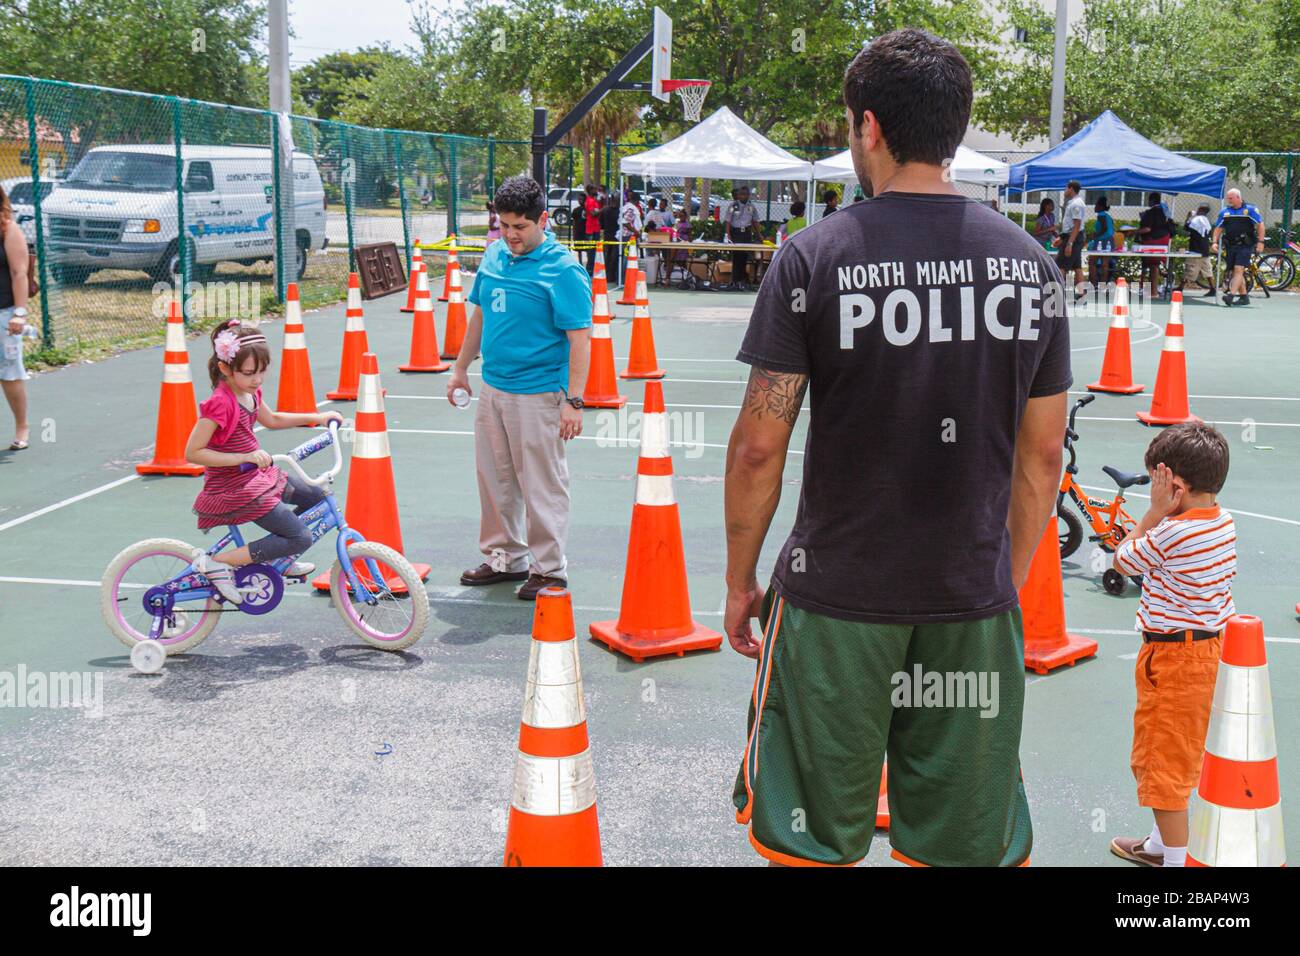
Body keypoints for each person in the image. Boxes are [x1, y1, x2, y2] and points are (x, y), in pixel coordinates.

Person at [723, 27, 1070, 868]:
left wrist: (741, 581)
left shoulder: (814, 258)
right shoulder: (1030, 266)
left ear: (867, 126)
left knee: (808, 836)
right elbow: (1043, 458)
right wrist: (1001, 581)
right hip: (971, 599)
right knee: (961, 841)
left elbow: (759, 449)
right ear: (955, 129)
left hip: (837, 597)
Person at [446, 176, 592, 601]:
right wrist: (459, 370)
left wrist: (574, 402)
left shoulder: (563, 269)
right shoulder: (493, 255)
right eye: (504, 225)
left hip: (539, 393)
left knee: (542, 483)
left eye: (520, 227)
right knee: (494, 479)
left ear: (542, 219)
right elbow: (479, 319)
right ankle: (505, 558)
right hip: (494, 389)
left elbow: (580, 339)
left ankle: (550, 570)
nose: (511, 235)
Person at [1108, 423, 1236, 868]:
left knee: (1164, 764)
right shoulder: (1223, 521)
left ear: (1175, 489)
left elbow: (1123, 559)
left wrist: (1153, 514)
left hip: (1174, 658)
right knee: (1173, 752)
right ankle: (1163, 844)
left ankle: (1177, 860)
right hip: (1204, 651)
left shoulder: (1173, 532)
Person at [184, 320, 344, 604]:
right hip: (235, 487)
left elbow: (271, 420)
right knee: (301, 538)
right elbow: (193, 452)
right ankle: (217, 563)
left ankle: (276, 554)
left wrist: (316, 418)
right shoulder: (220, 403)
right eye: (248, 373)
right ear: (225, 369)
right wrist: (242, 457)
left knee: (316, 498)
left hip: (259, 476)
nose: (257, 379)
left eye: (262, 371)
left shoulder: (249, 391)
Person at [1, 182, 32, 451]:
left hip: (4, 314)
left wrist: (19, 313)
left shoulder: (8, 229)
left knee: (9, 375)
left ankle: (22, 426)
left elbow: (19, 273)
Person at [1211, 188, 1265, 307]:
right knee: (1235, 272)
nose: (1229, 200)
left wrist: (1260, 242)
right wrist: (1214, 242)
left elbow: (1260, 225)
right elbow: (1218, 228)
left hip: (1245, 245)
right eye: (1228, 198)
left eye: (1231, 198)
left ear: (1238, 197)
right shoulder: (1225, 212)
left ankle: (1230, 296)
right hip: (1231, 245)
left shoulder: (1250, 210)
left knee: (1238, 270)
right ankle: (1244, 297)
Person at [1135, 191, 1174, 300]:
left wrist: (1135, 231)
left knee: (1152, 265)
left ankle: (1153, 292)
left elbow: (1147, 228)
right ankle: (1153, 290)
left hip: (1154, 240)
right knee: (1154, 264)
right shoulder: (1165, 211)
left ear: (1151, 200)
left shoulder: (1151, 212)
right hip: (1164, 239)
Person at [722, 185, 760, 291]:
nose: (744, 196)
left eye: (746, 194)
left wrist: (759, 234)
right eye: (742, 194)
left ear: (748, 195)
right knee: (736, 257)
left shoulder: (751, 207)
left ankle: (742, 281)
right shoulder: (733, 206)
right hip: (736, 233)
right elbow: (728, 221)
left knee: (744, 257)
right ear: (738, 195)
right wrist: (728, 234)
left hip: (746, 233)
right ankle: (734, 281)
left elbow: (755, 221)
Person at [1057, 180, 1087, 301]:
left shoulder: (1076, 204)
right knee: (1077, 267)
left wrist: (1069, 243)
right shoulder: (1074, 203)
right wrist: (1061, 237)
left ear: (1071, 189)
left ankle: (1057, 295)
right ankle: (1081, 294)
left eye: (1066, 188)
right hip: (1072, 236)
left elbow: (1077, 224)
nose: (1065, 191)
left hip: (1073, 238)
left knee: (1060, 265)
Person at [1182, 204, 1215, 296]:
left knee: (1189, 269)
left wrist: (1189, 217)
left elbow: (1186, 228)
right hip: (1204, 249)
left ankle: (1180, 287)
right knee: (1207, 270)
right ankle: (1213, 288)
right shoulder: (1206, 221)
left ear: (1200, 209)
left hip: (1195, 249)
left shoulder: (1196, 220)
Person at [1087, 195, 1116, 288]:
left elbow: (1104, 228)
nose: (1095, 207)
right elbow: (1110, 229)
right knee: (1105, 264)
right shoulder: (1108, 216)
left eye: (1096, 205)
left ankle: (1094, 284)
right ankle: (1102, 287)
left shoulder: (1101, 214)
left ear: (1101, 207)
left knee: (1092, 262)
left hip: (1101, 241)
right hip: (1110, 241)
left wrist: (1095, 235)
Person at [618, 190, 643, 286]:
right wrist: (635, 231)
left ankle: (625, 278)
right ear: (636, 200)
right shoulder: (631, 209)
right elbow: (625, 222)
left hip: (627, 236)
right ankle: (624, 279)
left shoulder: (627, 207)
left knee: (627, 258)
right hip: (628, 236)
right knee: (627, 258)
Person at [599, 193, 620, 284]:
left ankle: (608, 275)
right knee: (614, 257)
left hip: (607, 235)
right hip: (615, 236)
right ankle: (611, 276)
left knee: (608, 256)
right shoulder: (619, 211)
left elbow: (601, 223)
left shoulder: (605, 210)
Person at [582, 184, 601, 274]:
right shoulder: (590, 201)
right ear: (591, 191)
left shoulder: (594, 201)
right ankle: (590, 269)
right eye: (595, 189)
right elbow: (592, 213)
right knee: (591, 250)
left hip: (595, 228)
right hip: (591, 229)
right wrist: (601, 210)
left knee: (594, 249)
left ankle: (592, 268)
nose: (597, 191)